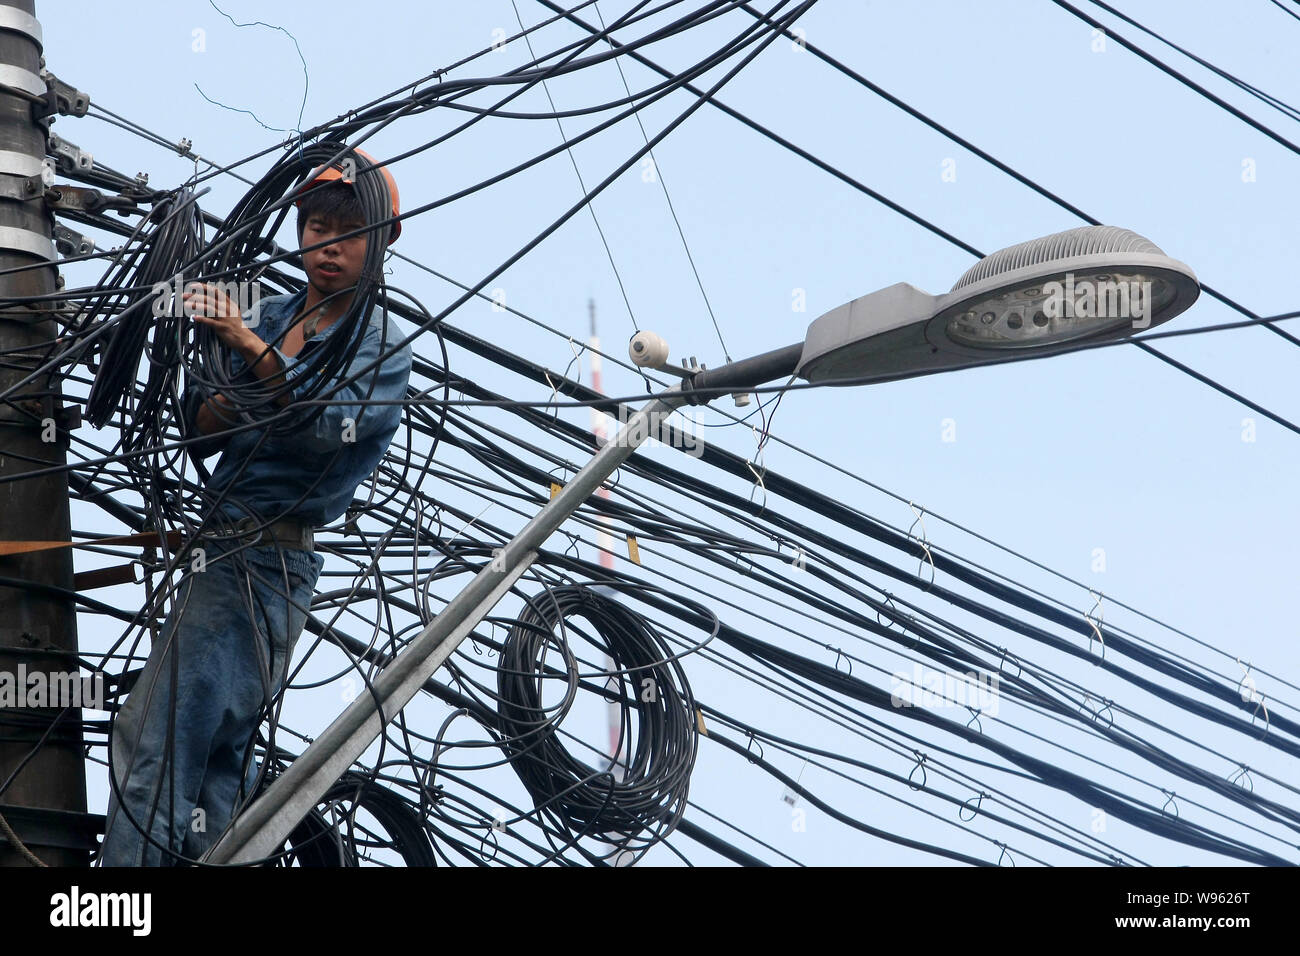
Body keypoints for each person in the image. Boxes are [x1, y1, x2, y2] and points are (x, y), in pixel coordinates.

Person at [100, 154, 412, 866]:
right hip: (222, 547)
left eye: (348, 231)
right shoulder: (270, 313)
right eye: (315, 225)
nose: (326, 244)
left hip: (270, 559)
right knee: (209, 760)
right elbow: (204, 424)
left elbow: (319, 425)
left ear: (383, 242)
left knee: (160, 741)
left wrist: (246, 349)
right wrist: (223, 375)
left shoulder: (379, 346)